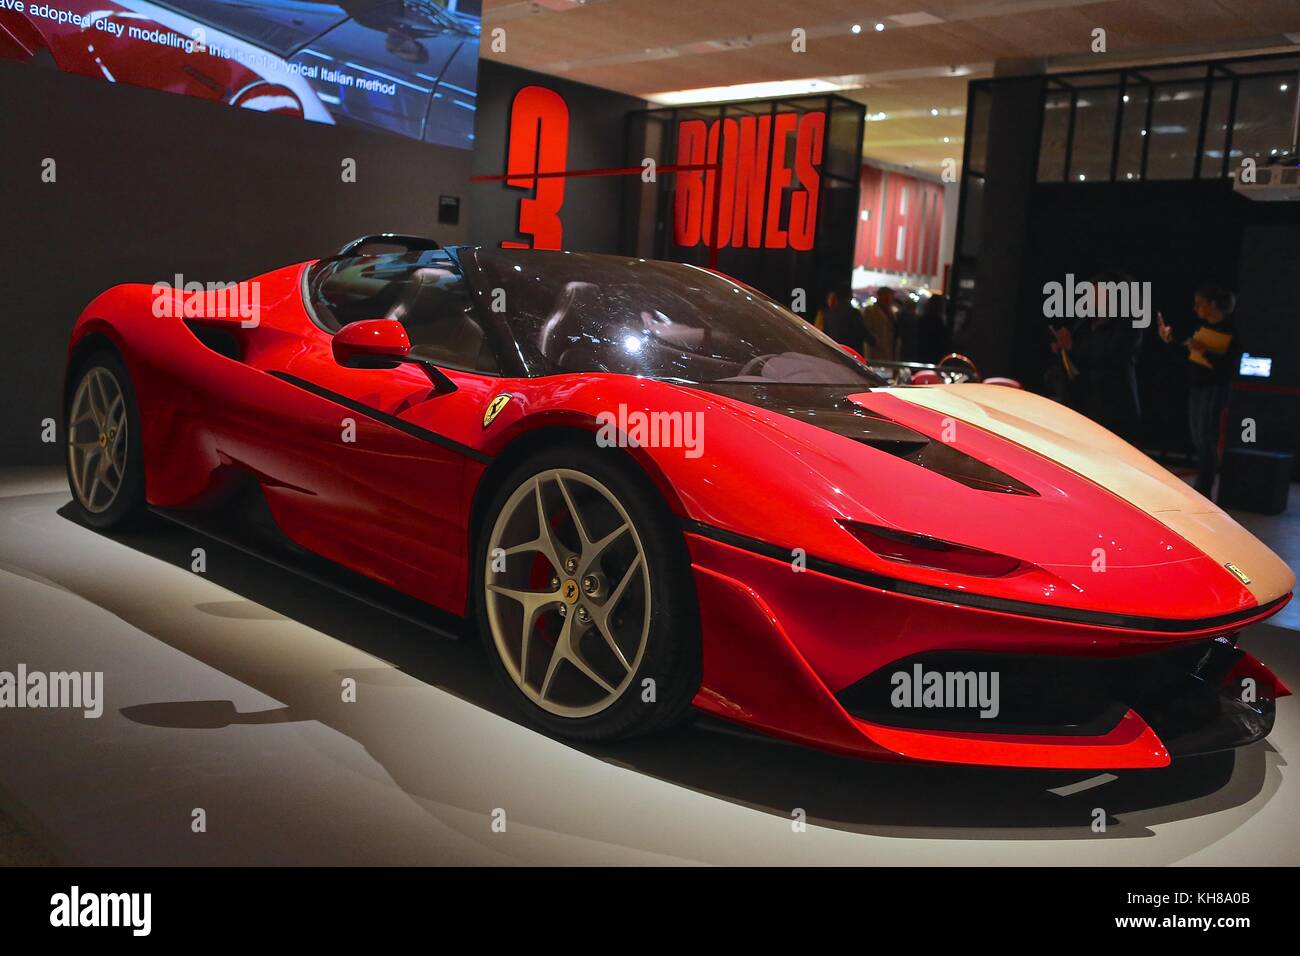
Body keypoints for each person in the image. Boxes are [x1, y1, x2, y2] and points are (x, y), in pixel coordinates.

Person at [1158, 285, 1238, 497]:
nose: (1196, 309)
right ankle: (1202, 487)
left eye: (1200, 304)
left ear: (1212, 305)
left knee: (1206, 439)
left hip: (1213, 390)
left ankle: (1204, 489)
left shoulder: (1229, 331)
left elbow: (1225, 367)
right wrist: (1170, 340)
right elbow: (1190, 355)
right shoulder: (1202, 329)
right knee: (1199, 438)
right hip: (1198, 388)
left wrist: (1203, 351)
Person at [1051, 271, 1143, 442]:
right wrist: (1062, 350)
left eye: (1098, 293)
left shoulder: (1128, 324)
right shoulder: (1085, 323)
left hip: (1113, 407)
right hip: (1083, 404)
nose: (1091, 298)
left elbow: (1111, 354)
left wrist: (1072, 346)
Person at [822, 284, 873, 355]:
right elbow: (862, 331)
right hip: (851, 353)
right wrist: (874, 341)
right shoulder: (853, 312)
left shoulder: (829, 313)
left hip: (834, 352)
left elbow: (825, 333)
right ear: (850, 296)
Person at [861, 287, 897, 361]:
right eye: (887, 296)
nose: (889, 299)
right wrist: (875, 341)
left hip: (889, 350)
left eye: (891, 296)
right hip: (874, 350)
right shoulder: (870, 310)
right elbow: (865, 330)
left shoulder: (892, 312)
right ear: (880, 296)